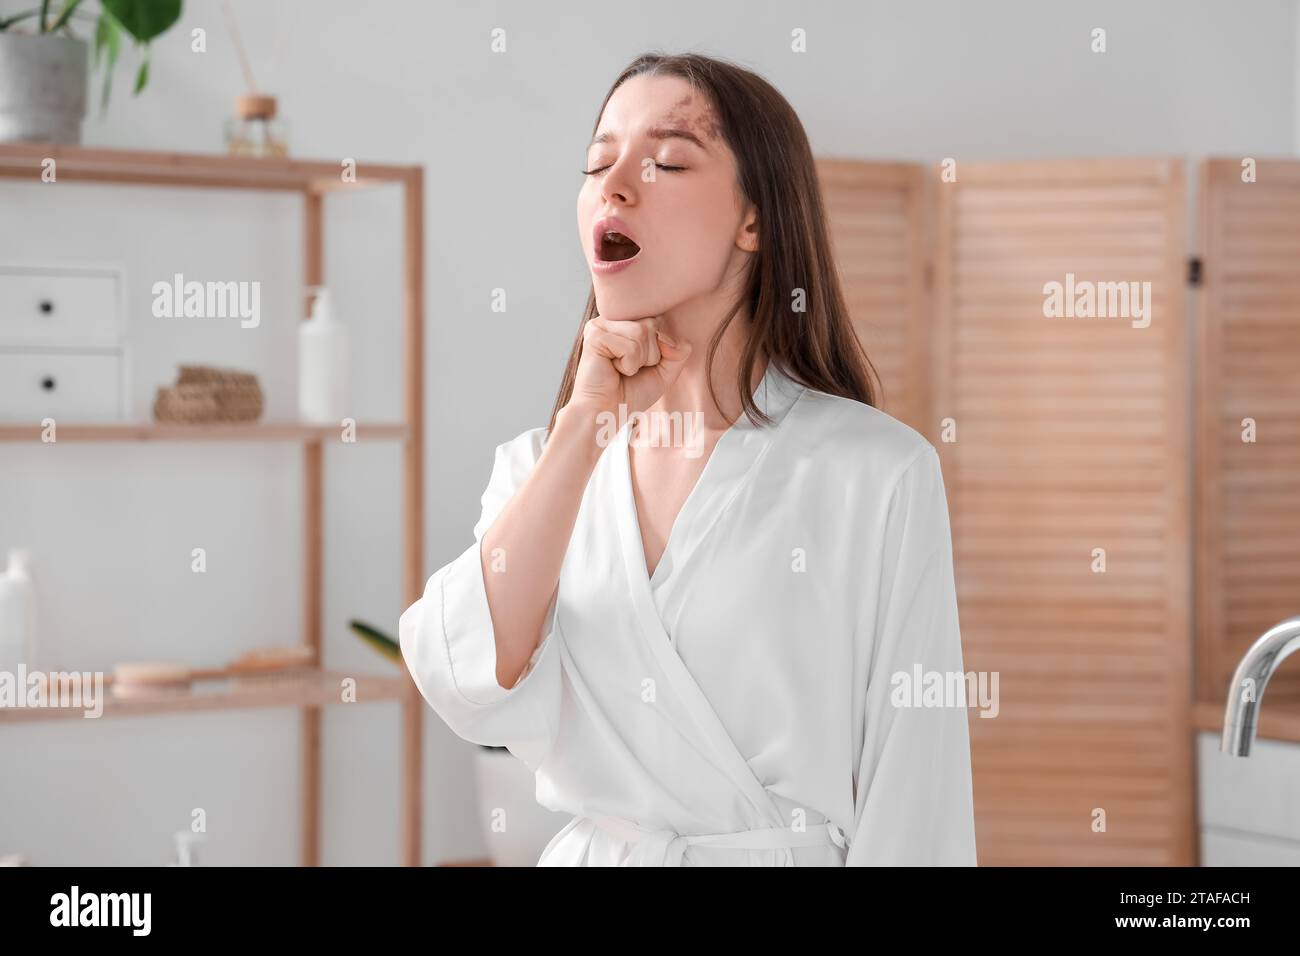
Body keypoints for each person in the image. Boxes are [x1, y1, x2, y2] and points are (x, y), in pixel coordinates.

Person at [399, 51, 978, 866]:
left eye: (667, 161)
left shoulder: (876, 473)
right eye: (598, 163)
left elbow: (917, 799)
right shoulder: (542, 466)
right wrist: (584, 426)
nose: (616, 184)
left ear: (756, 220)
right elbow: (463, 681)